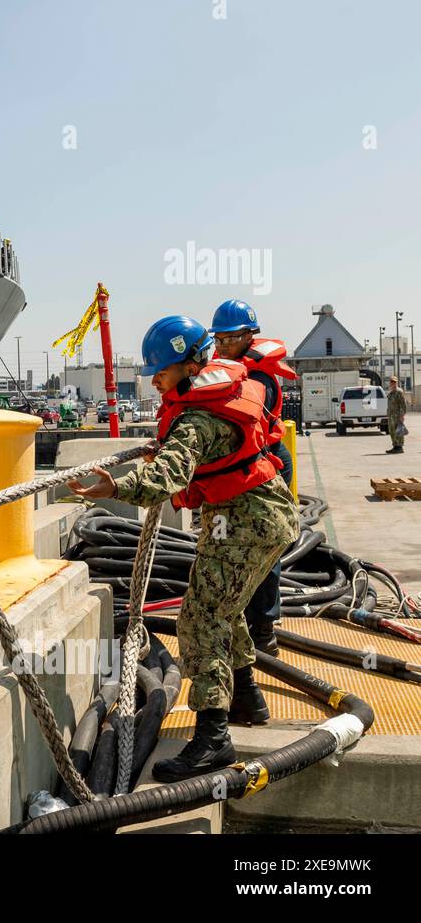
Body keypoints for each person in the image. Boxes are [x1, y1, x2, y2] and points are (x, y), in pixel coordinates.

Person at [68, 316, 300, 781]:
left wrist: (116, 484)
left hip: (243, 523)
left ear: (190, 364)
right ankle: (246, 698)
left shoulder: (196, 418)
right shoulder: (215, 399)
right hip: (263, 517)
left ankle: (213, 738)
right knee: (226, 610)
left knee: (201, 618)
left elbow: (168, 476)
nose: (154, 379)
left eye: (162, 370)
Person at [209, 299, 297, 660]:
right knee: (230, 547)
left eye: (230, 339)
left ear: (248, 336)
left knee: (263, 549)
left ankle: (263, 630)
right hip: (244, 468)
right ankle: (241, 624)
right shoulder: (229, 370)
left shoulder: (259, 378)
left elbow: (245, 417)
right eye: (219, 339)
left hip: (267, 464)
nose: (223, 346)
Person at [387, 375, 406, 453]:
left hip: (397, 415)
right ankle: (395, 446)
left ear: (396, 383)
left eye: (394, 382)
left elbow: (403, 404)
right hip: (391, 416)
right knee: (392, 431)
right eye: (391, 381)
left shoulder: (399, 392)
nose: (392, 383)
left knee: (398, 431)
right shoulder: (391, 393)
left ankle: (399, 447)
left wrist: (402, 415)